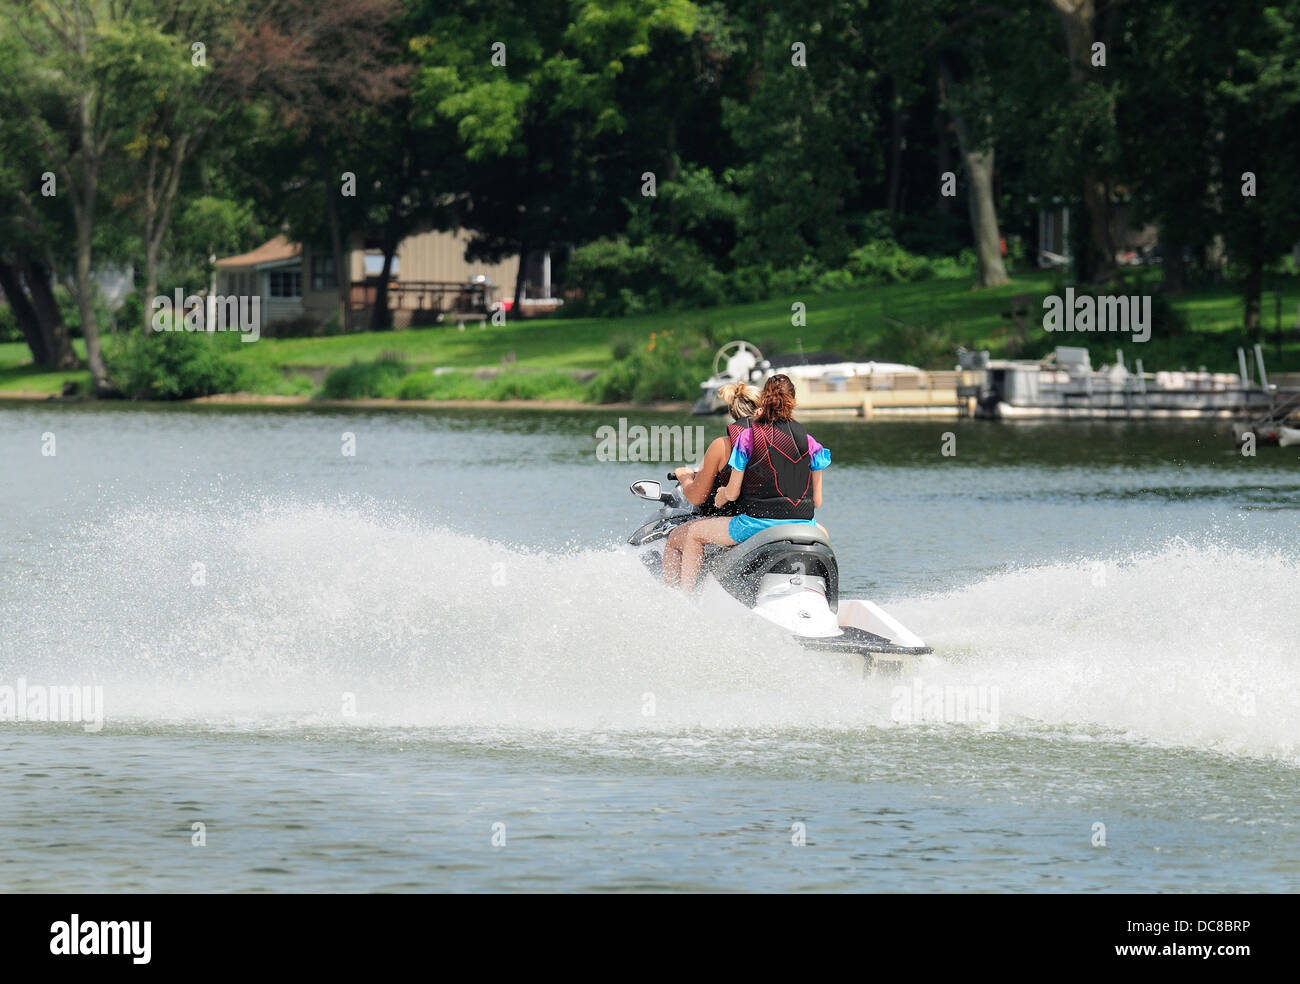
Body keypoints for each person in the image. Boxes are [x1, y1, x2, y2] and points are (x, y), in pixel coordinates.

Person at [674, 374, 831, 592]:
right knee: (823, 536)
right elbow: (818, 501)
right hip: (803, 524)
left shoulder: (747, 438)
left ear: (765, 400)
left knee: (694, 534)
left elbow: (733, 491)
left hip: (755, 524)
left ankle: (685, 599)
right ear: (794, 402)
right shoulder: (811, 442)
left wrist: (722, 494)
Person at [661, 382, 760, 587]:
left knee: (675, 539)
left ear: (733, 411)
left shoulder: (722, 445)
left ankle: (679, 600)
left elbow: (697, 497)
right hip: (775, 517)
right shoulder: (777, 441)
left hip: (737, 522)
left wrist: (685, 477)